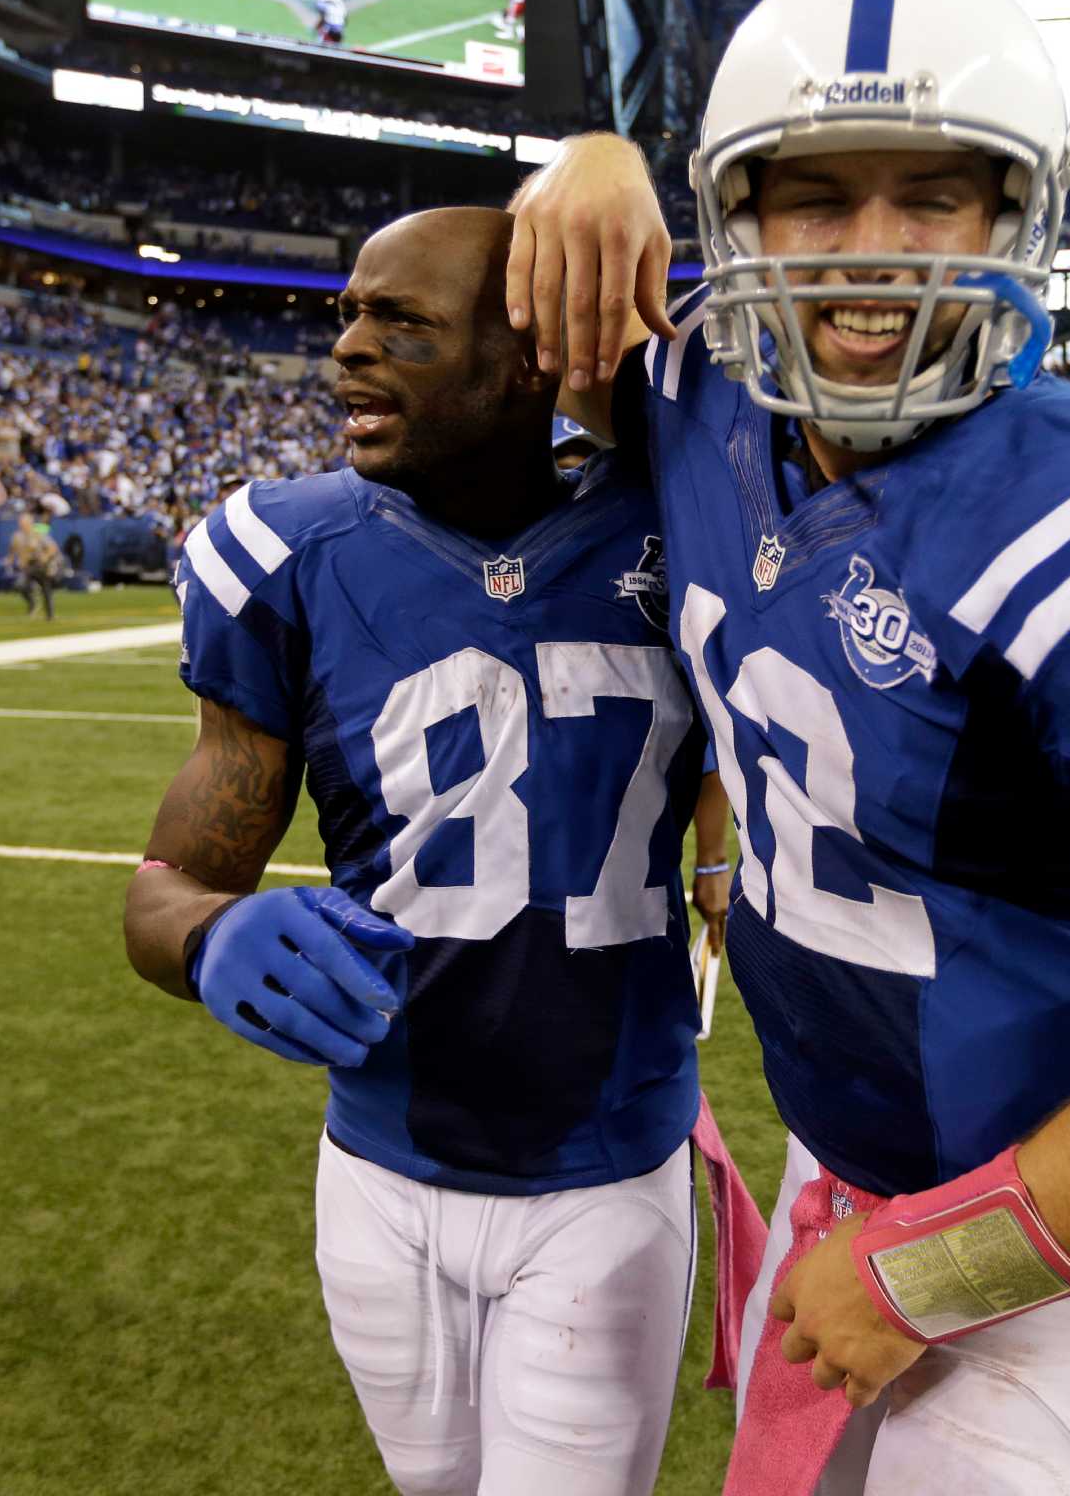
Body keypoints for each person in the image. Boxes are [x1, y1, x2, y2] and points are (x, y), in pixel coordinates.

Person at [513, 0, 1070, 1494]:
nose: (871, 251)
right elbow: (550, 304)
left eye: (932, 199)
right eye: (814, 197)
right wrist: (588, 151)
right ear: (735, 217)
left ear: (1012, 221)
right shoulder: (699, 402)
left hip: (1052, 1222)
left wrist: (929, 1272)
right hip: (838, 1153)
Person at [123, 209, 711, 1496]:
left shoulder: (681, 523)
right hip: (376, 1170)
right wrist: (211, 932)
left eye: (403, 324)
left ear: (529, 358)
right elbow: (168, 886)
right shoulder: (281, 549)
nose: (347, 351)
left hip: (601, 1164)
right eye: (348, 313)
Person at [9, 510, 62, 620]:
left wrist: (45, 557)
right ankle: (32, 603)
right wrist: (14, 560)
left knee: (46, 589)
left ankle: (50, 615)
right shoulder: (17, 536)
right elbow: (15, 551)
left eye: (25, 522)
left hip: (41, 565)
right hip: (29, 566)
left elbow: (53, 547)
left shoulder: (38, 533)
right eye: (21, 522)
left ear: (31, 522)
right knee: (20, 585)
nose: (22, 524)